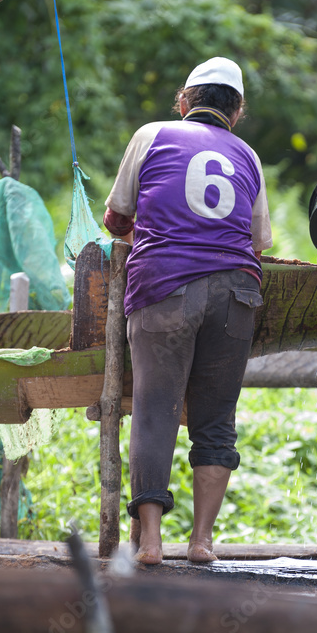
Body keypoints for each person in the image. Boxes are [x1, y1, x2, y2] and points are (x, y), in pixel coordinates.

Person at [103, 57, 273, 565]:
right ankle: (201, 542)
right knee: (216, 420)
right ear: (236, 112)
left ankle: (151, 544)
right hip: (237, 294)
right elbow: (257, 243)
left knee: (154, 411)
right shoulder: (249, 156)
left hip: (164, 287)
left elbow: (116, 218)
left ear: (183, 101)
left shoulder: (151, 135)